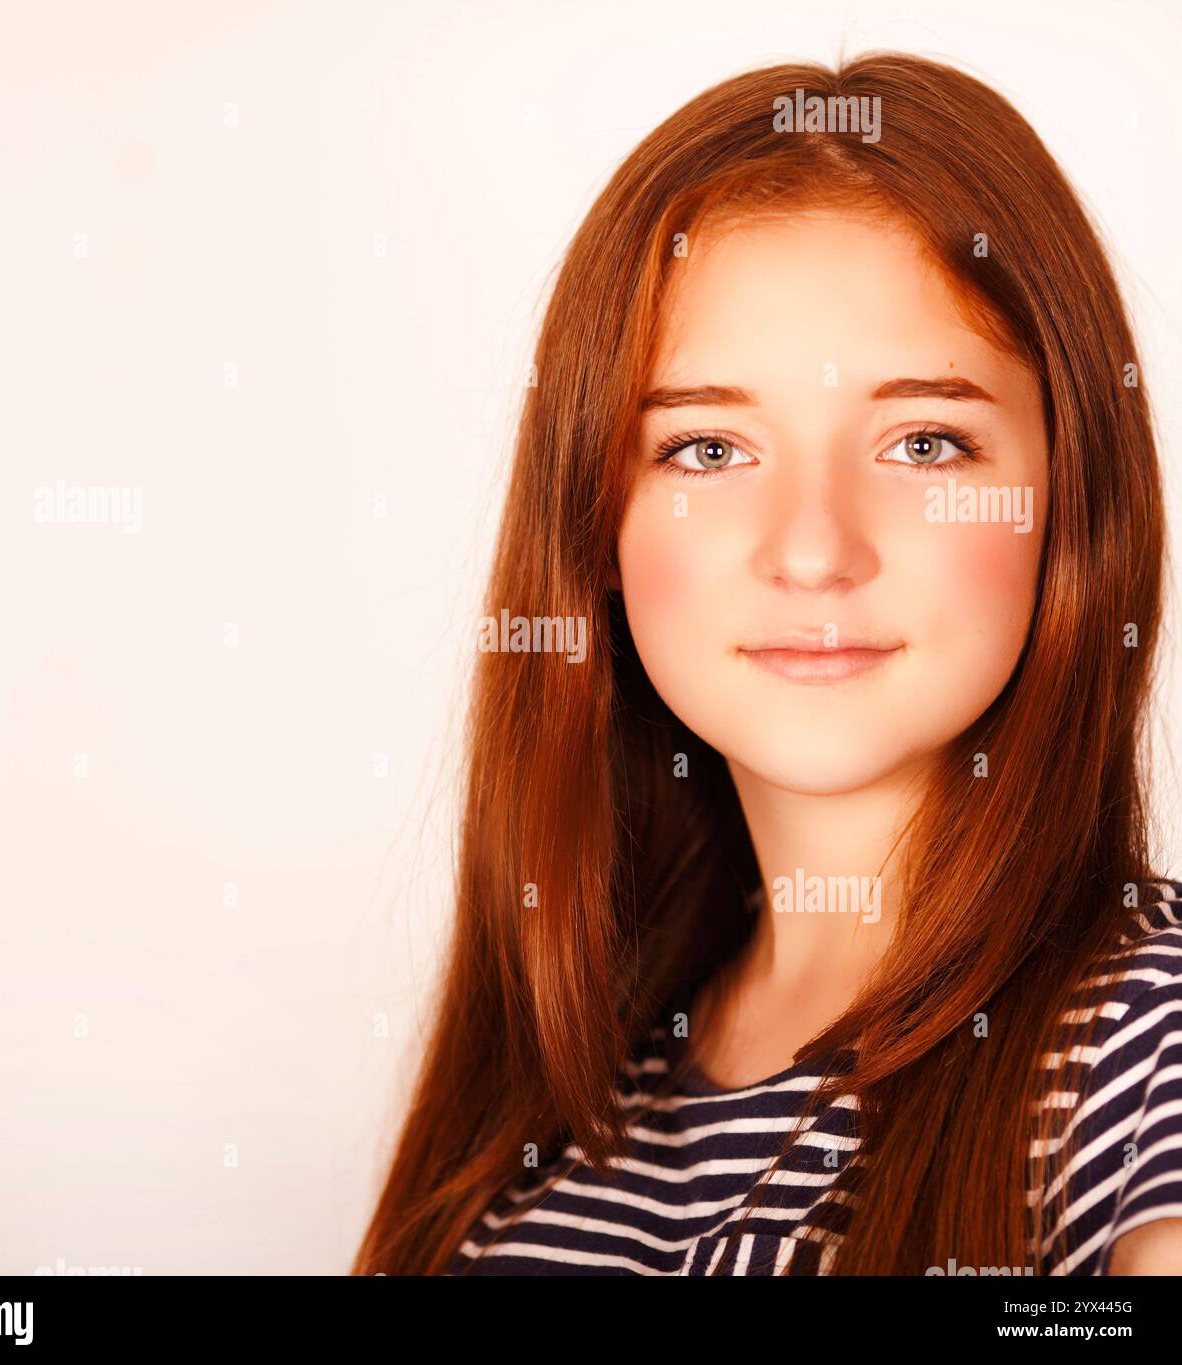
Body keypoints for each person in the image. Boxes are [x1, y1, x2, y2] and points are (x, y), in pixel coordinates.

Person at [353, 51, 1182, 1277]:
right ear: (595, 524)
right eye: (704, 449)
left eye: (923, 440)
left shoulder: (1143, 1060)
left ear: (1070, 499)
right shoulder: (566, 1091)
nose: (810, 550)